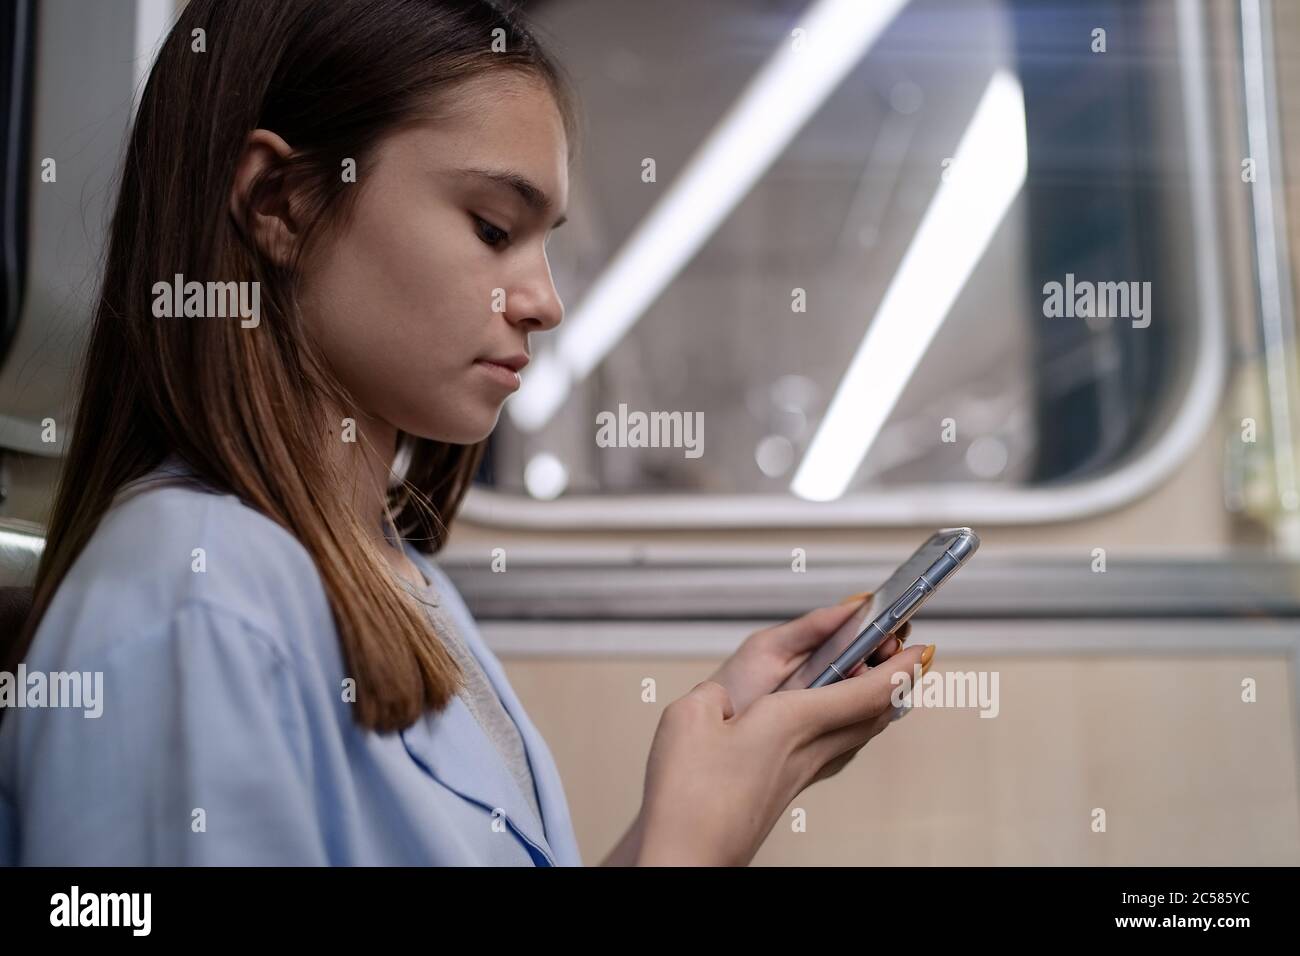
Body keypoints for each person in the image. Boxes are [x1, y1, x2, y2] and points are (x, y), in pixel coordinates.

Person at [0, 0, 932, 866]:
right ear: (280, 202)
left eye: (543, 243)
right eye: (493, 228)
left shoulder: (401, 584)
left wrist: (711, 799)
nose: (546, 303)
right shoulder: (191, 596)